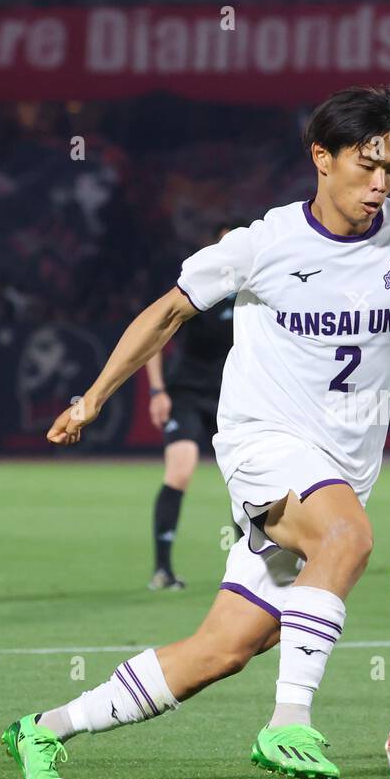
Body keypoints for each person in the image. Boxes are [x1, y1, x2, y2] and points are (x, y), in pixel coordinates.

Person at [2, 85, 390, 779]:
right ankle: (288, 722)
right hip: (264, 443)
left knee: (224, 648)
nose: (380, 183)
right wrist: (92, 398)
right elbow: (165, 314)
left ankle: (44, 729)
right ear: (321, 159)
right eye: (366, 167)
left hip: (341, 467)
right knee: (349, 539)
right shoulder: (264, 243)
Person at [144, 222, 239, 592]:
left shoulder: (259, 290)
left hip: (232, 397)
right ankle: (162, 570)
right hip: (186, 392)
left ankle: (247, 571)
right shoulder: (202, 287)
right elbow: (156, 333)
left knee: (244, 481)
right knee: (180, 472)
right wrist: (158, 391)